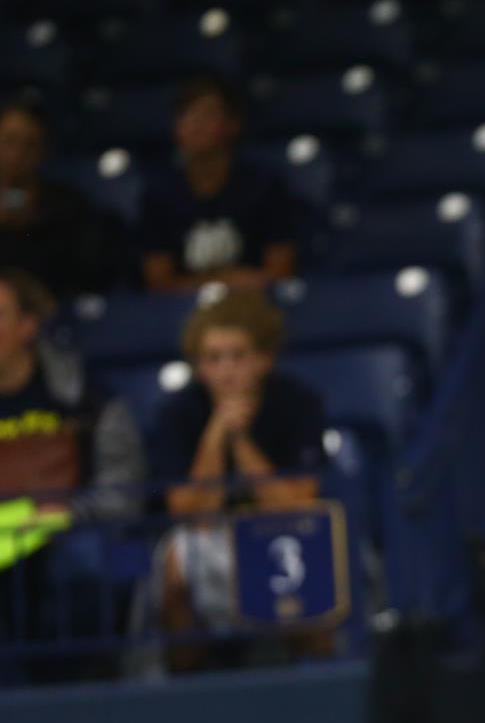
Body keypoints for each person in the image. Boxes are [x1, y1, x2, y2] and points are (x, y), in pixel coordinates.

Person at [147, 288, 325, 672]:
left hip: (282, 530)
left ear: (264, 358)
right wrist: (215, 434)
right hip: (211, 534)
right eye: (213, 358)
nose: (227, 370)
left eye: (238, 356)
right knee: (176, 563)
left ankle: (321, 680)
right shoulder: (177, 413)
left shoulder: (298, 402)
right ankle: (184, 687)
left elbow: (298, 506)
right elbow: (190, 513)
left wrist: (241, 443)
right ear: (198, 366)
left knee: (318, 553)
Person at [0, 267, 143, 675]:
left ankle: (77, 694)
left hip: (71, 533)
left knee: (85, 561)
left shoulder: (86, 399)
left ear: (28, 326)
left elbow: (123, 494)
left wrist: (67, 515)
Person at [139, 74, 298, 293]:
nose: (196, 124)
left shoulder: (264, 186)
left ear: (232, 124)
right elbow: (158, 284)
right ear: (176, 127)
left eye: (207, 114)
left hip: (253, 308)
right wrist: (225, 281)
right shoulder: (158, 194)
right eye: (187, 114)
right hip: (180, 315)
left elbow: (280, 276)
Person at [0, 95, 119, 300]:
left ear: (43, 151)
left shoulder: (69, 207)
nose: (16, 154)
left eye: (29, 145)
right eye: (9, 141)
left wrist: (30, 227)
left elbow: (87, 279)